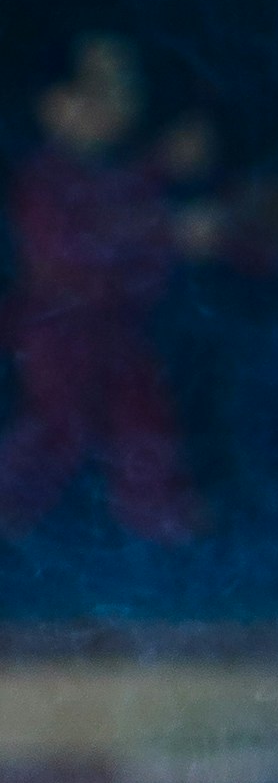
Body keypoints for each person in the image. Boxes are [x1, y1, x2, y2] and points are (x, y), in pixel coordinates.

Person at [0, 31, 208, 546]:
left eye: (125, 83)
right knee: (52, 437)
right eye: (100, 85)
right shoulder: (41, 178)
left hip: (114, 339)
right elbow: (75, 250)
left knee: (141, 432)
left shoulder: (115, 173)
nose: (121, 99)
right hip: (55, 339)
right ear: (55, 103)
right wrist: (168, 220)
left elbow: (131, 212)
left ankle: (164, 531)